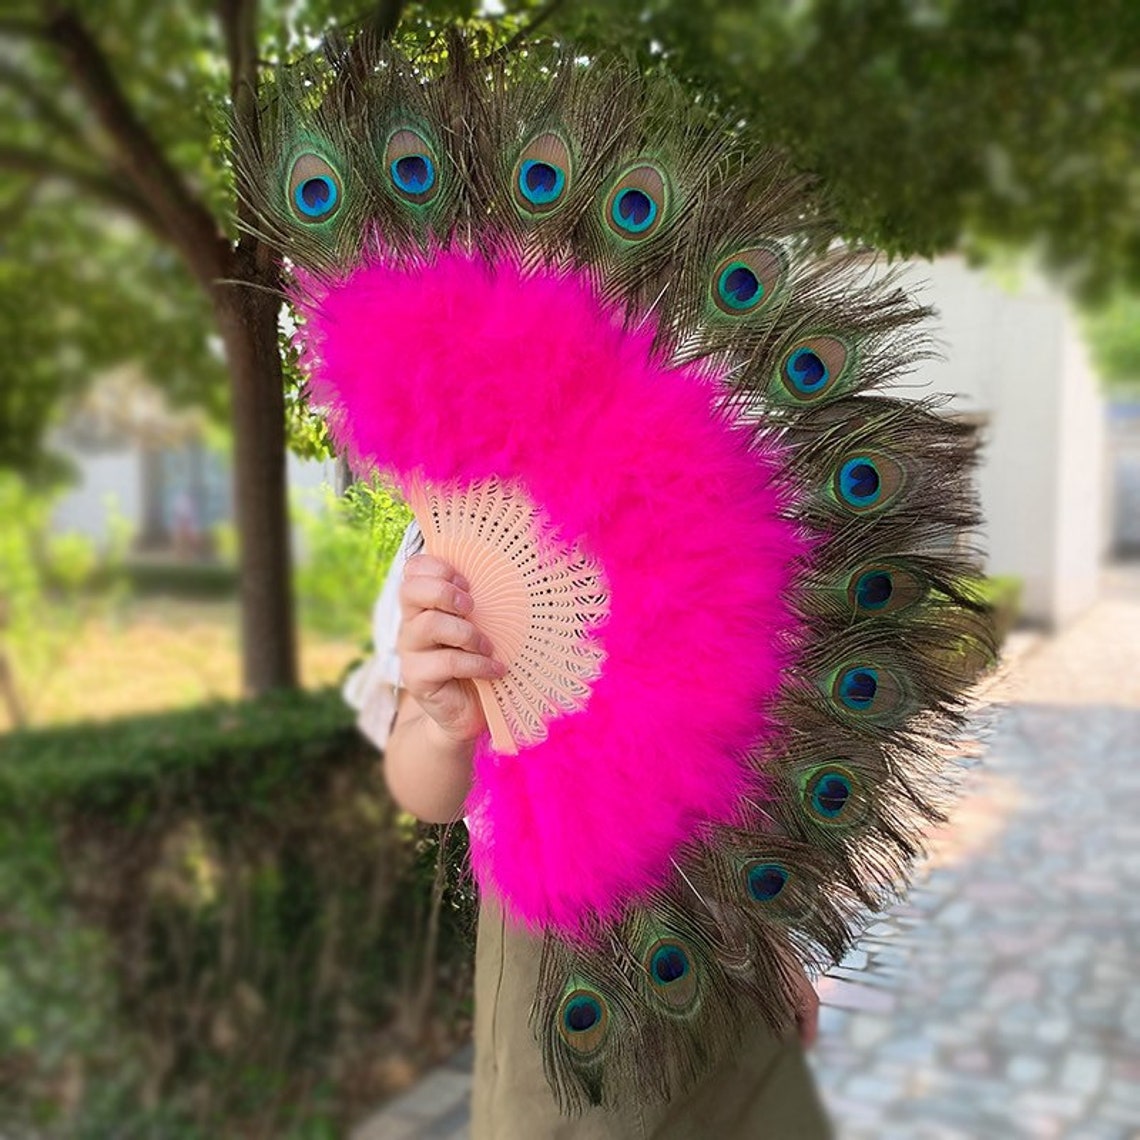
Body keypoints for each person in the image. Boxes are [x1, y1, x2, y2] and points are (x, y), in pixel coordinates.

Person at [346, 524, 835, 1139]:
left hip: (717, 902)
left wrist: (771, 948)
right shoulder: (443, 540)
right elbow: (423, 790)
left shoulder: (678, 509)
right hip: (556, 942)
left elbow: (733, 759)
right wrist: (447, 731)